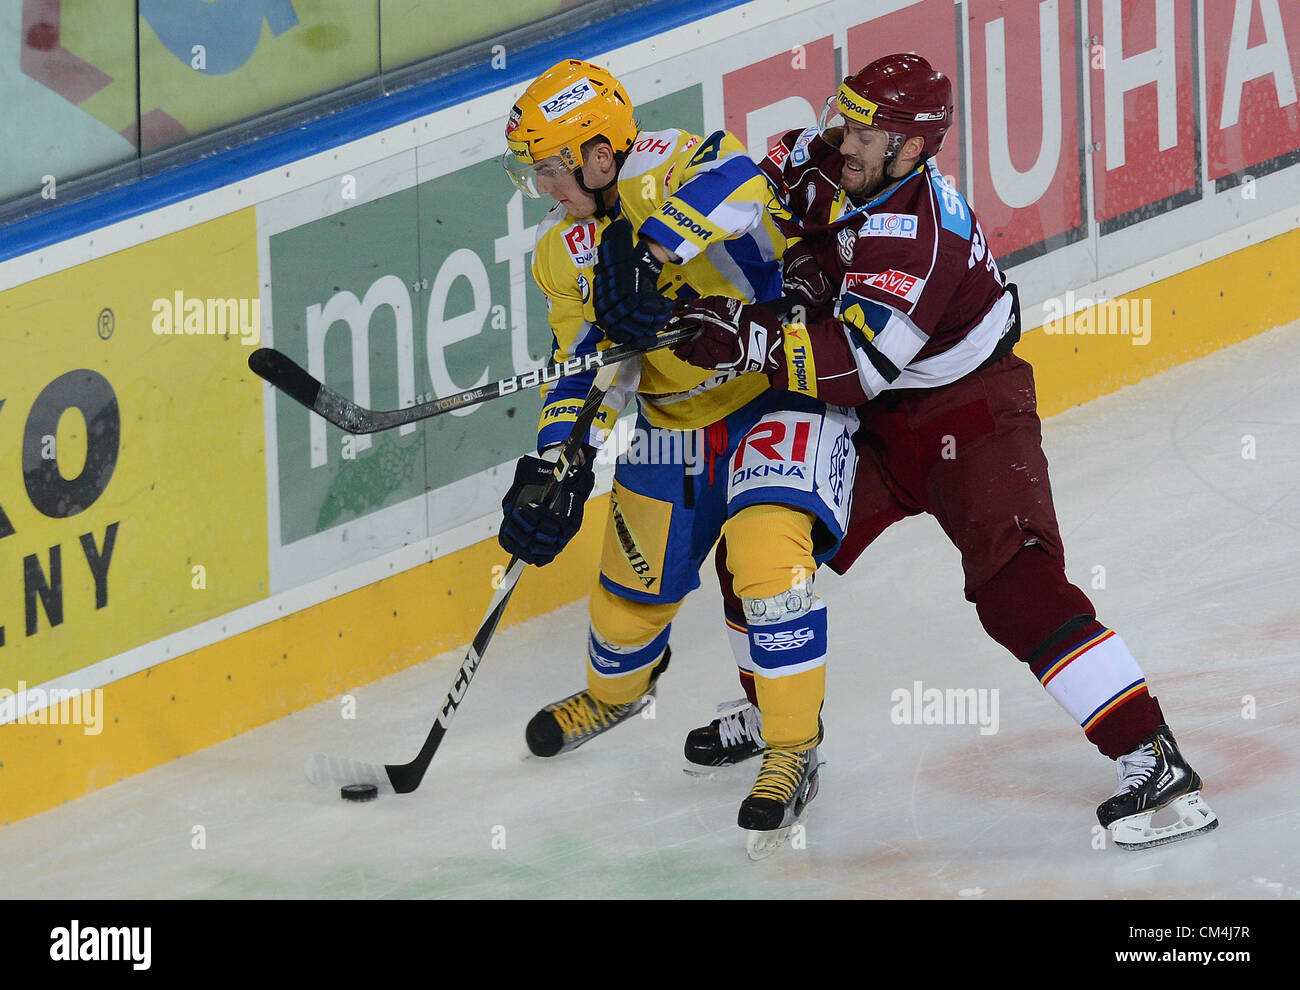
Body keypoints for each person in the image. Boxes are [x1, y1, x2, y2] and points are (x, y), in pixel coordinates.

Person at [668, 53, 1218, 850]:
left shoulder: (921, 236)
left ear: (913, 150)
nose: (844, 142)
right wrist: (661, 251)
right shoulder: (831, 159)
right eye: (845, 120)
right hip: (882, 419)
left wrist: (745, 335)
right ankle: (776, 712)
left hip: (971, 413)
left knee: (1014, 584)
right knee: (756, 546)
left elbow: (853, 370)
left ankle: (1154, 758)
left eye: (867, 132)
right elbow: (746, 179)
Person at [498, 59, 859, 856]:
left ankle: (793, 747)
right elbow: (595, 367)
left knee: (768, 566)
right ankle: (614, 697)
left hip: (778, 395)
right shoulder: (560, 257)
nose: (547, 191)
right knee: (627, 601)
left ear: (599, 156)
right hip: (672, 425)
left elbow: (743, 184)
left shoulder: (674, 159)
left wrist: (648, 249)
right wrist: (560, 458)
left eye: (552, 170)